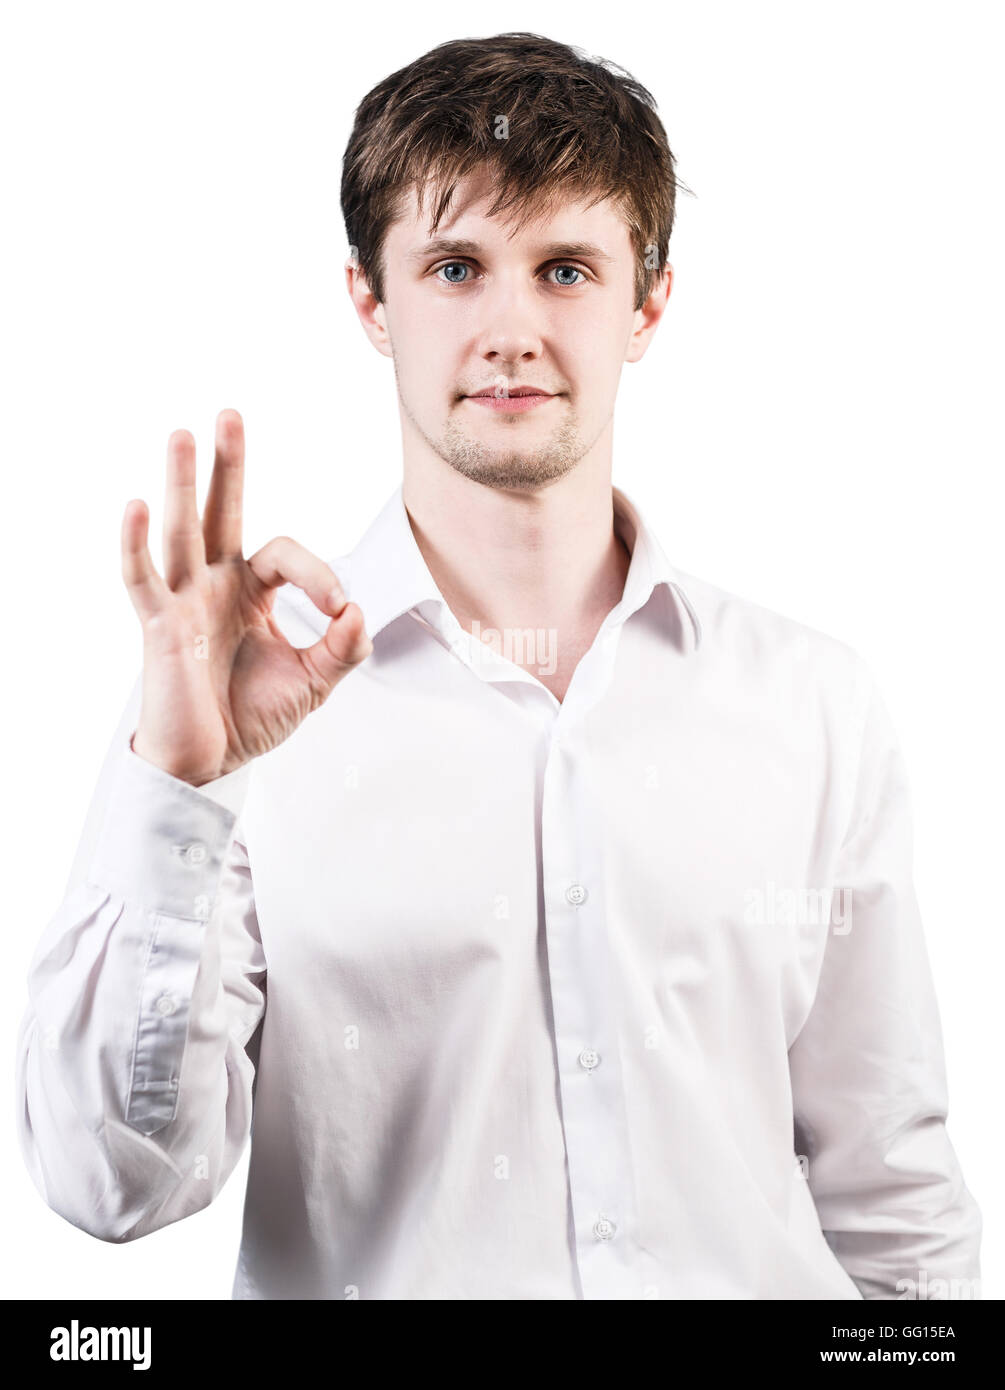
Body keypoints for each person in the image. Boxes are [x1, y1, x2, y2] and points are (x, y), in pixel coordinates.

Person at [15, 32, 981, 1301]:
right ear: (372, 301)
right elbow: (114, 1188)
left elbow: (889, 1185)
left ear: (649, 304)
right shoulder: (243, 724)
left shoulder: (810, 703)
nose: (511, 329)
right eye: (457, 267)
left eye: (566, 268)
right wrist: (182, 792)